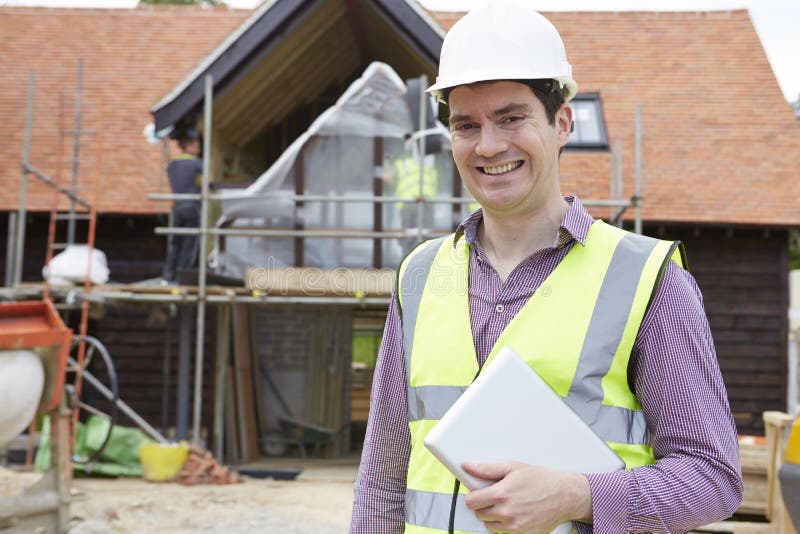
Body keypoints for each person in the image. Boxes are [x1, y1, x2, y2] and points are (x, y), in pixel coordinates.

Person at [350, 1, 743, 532]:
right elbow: (382, 480)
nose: (489, 145)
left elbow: (713, 478)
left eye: (512, 118)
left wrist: (577, 495)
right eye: (466, 125)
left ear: (562, 123)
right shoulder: (420, 275)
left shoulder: (647, 279)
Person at [162, 134, 202, 284]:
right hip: (192, 206)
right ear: (189, 146)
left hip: (177, 207)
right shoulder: (197, 164)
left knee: (175, 243)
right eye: (196, 146)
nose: (198, 150)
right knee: (189, 243)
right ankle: (181, 277)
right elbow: (204, 183)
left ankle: (167, 277)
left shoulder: (172, 164)